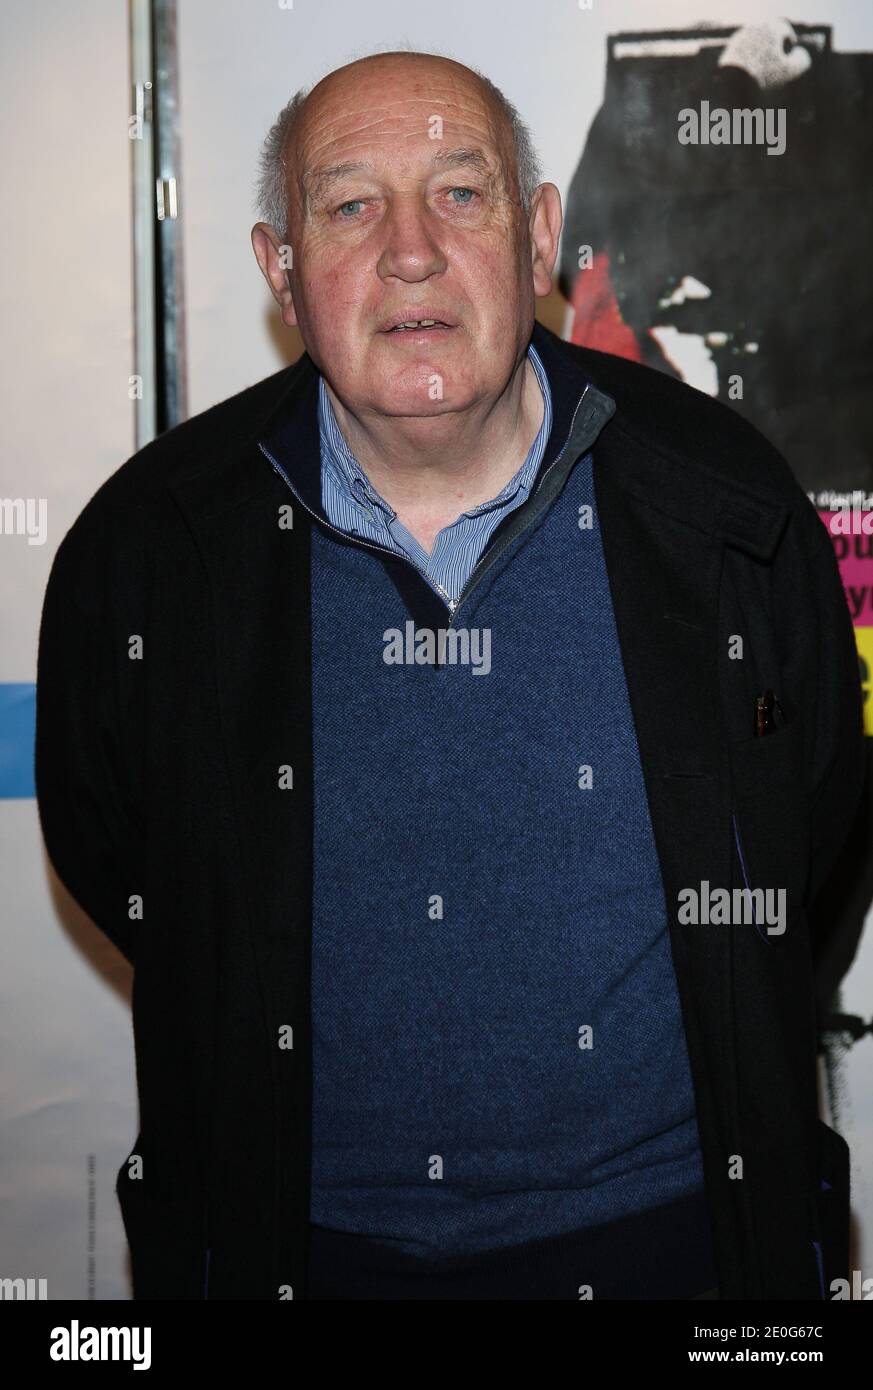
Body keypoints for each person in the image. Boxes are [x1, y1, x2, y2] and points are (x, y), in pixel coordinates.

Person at [35, 48, 863, 1301]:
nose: (410, 250)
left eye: (462, 194)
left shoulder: (725, 507)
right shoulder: (156, 552)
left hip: (684, 1249)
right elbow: (123, 859)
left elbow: (817, 841)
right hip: (290, 1256)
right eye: (352, 203)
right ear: (280, 268)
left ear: (540, 235)